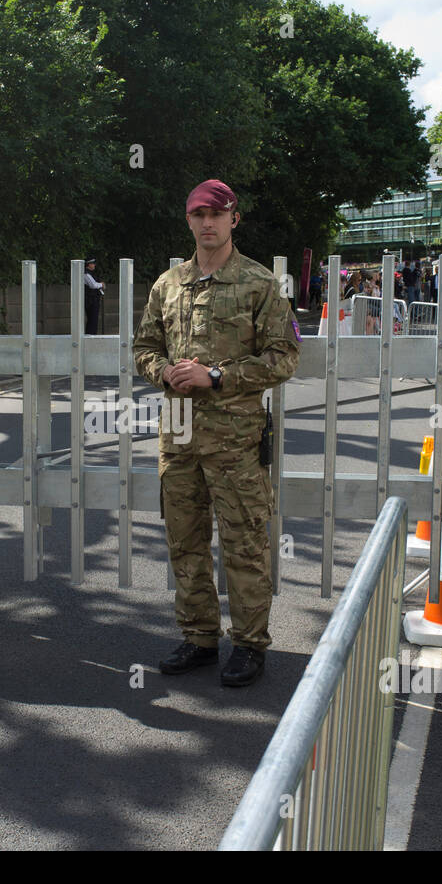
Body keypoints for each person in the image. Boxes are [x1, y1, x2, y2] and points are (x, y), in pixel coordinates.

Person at [133, 179, 300, 687]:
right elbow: (144, 348)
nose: (208, 223)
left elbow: (284, 356)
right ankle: (200, 637)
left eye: (217, 214)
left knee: (244, 544)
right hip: (179, 437)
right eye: (198, 215)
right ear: (188, 220)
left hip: (235, 441)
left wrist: (218, 376)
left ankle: (249, 644)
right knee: (185, 542)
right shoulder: (168, 284)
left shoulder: (259, 283)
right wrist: (163, 371)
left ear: (233, 219)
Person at [84, 256, 105, 334]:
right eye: (92, 263)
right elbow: (93, 285)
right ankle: (90, 335)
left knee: (94, 320)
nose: (94, 265)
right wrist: (101, 284)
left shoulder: (91, 273)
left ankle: (92, 335)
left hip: (94, 300)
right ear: (88, 264)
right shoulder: (86, 274)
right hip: (90, 301)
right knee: (92, 320)